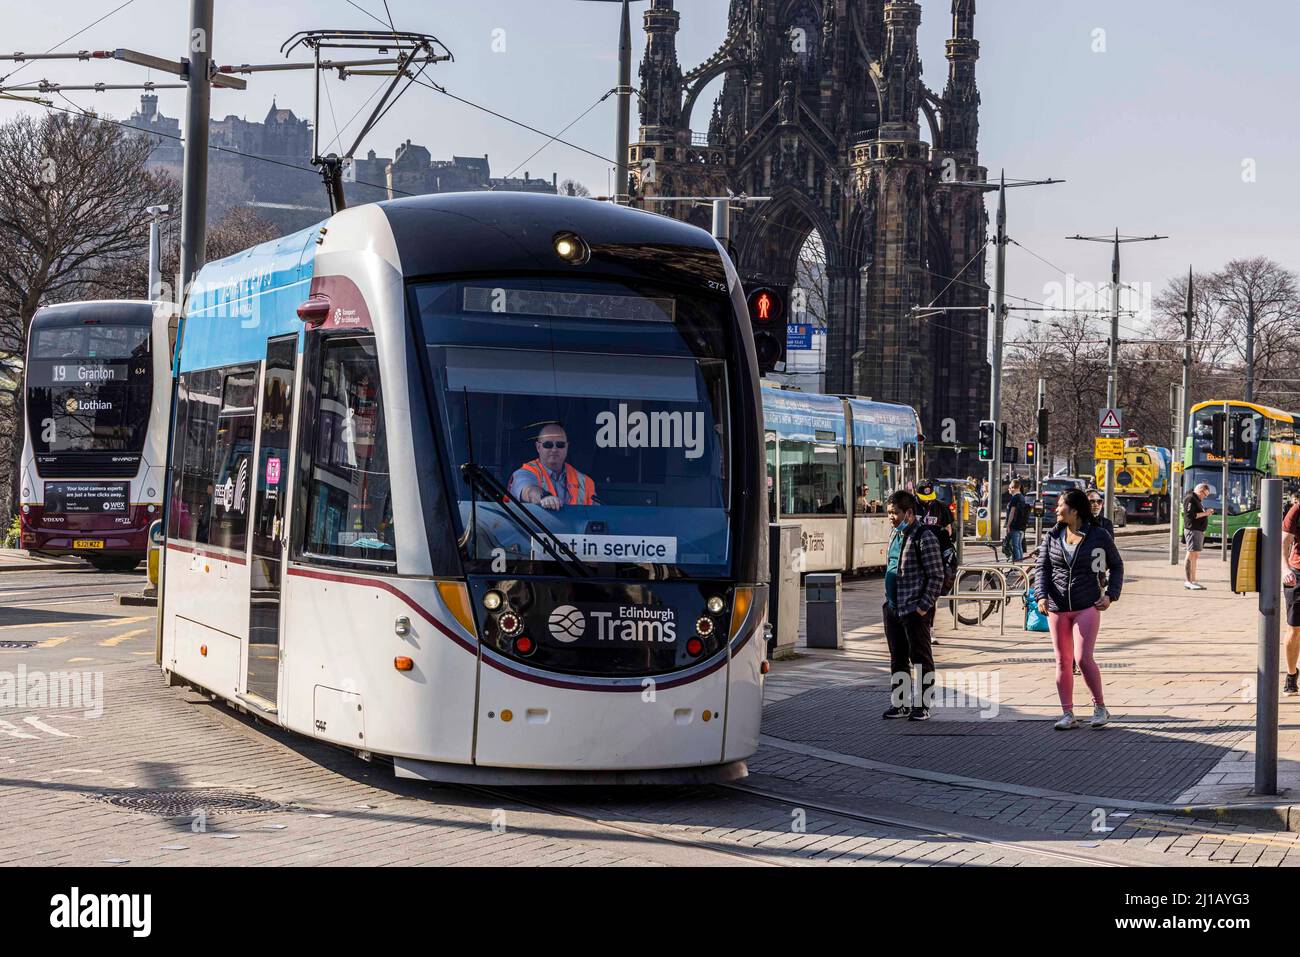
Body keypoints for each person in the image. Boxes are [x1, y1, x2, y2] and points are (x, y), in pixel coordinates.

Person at [1036, 489, 1124, 730]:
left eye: (1060, 505)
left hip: (1087, 604)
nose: (1056, 509)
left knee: (1083, 658)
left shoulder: (1099, 535)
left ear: (1074, 510)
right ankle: (1067, 713)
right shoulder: (1052, 536)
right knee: (1063, 661)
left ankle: (1100, 707)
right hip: (1057, 607)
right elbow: (1041, 568)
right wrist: (1040, 595)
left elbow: (1116, 565)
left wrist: (1111, 595)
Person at [881, 490, 944, 722]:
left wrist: (923, 606)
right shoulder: (894, 535)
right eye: (889, 513)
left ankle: (922, 706)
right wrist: (889, 603)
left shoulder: (924, 537)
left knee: (921, 658)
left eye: (895, 513)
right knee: (898, 658)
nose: (891, 518)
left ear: (909, 513)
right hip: (893, 607)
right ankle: (900, 704)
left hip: (914, 609)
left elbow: (936, 576)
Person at [508, 423, 597, 510]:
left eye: (560, 445)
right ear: (538, 447)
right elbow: (528, 490)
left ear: (567, 447)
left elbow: (597, 515)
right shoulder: (525, 473)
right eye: (548, 445)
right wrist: (544, 497)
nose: (554, 449)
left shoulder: (585, 482)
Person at [913, 480, 957, 635]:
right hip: (914, 556)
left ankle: (929, 629)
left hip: (933, 556)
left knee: (931, 595)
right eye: (923, 498)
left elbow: (950, 531)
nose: (927, 501)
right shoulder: (911, 507)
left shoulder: (941, 508)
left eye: (929, 497)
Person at [1281, 496, 1300, 695]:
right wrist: (1285, 569)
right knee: (1295, 630)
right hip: (1298, 574)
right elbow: (1283, 544)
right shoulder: (1296, 510)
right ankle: (1291, 673)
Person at [1182, 481, 1214, 590]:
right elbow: (1190, 516)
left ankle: (1193, 580)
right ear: (1200, 491)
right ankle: (1188, 581)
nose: (1204, 497)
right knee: (1190, 554)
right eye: (1204, 494)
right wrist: (1206, 513)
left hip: (1198, 531)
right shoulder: (1191, 498)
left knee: (1195, 556)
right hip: (1192, 530)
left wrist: (1205, 512)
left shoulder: (1196, 499)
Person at [1004, 479, 1028, 561]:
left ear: (1013, 487)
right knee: (1019, 545)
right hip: (1022, 525)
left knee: (1015, 546)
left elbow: (1012, 512)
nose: (1008, 489)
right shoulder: (1022, 497)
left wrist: (1008, 525)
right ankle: (1020, 565)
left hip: (1015, 525)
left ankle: (1017, 566)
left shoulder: (1015, 498)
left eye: (1009, 487)